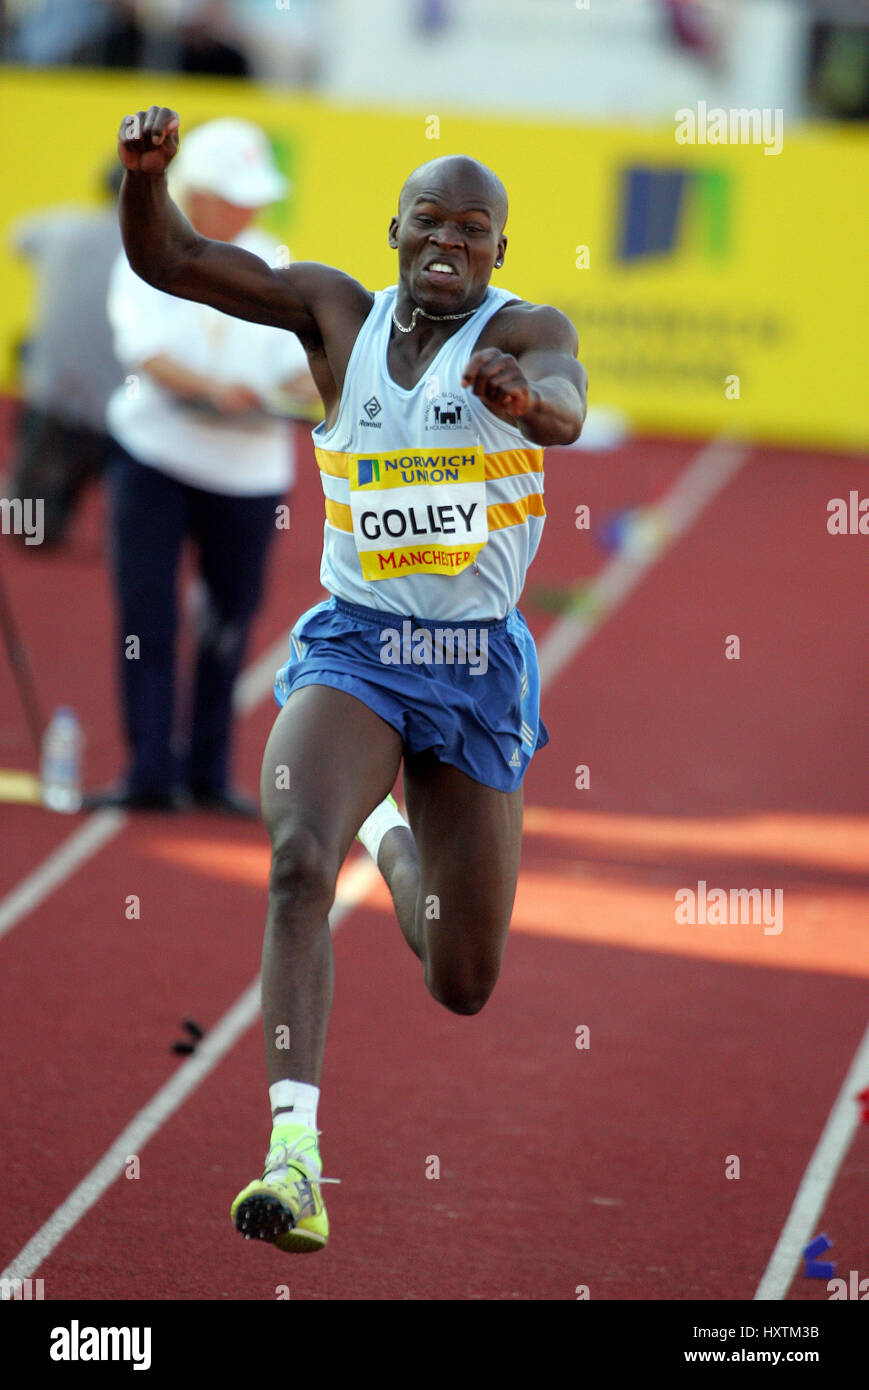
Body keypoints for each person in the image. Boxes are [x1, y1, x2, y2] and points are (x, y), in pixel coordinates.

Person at [116, 105, 587, 1250]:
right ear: (394, 230)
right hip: (358, 646)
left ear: (497, 252)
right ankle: (293, 1154)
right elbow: (171, 259)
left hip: (470, 665)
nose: (448, 243)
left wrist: (524, 404)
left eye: (472, 231)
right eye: (429, 221)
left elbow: (565, 401)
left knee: (462, 977)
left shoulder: (522, 328)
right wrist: (143, 176)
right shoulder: (337, 314)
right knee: (290, 862)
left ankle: (384, 829)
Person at [89, 118, 316, 815]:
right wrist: (213, 390)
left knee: (227, 625)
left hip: (247, 476)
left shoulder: (272, 258)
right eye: (235, 194)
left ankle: (209, 771)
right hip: (154, 457)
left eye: (255, 195)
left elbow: (307, 363)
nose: (250, 208)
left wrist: (278, 396)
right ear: (198, 193)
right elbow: (143, 351)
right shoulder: (145, 252)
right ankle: (149, 769)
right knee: (147, 619)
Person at [4, 164, 124, 547]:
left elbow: (17, 238)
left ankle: (33, 508)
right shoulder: (160, 253)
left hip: (51, 399)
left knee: (27, 531)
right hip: (121, 412)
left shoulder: (61, 227)